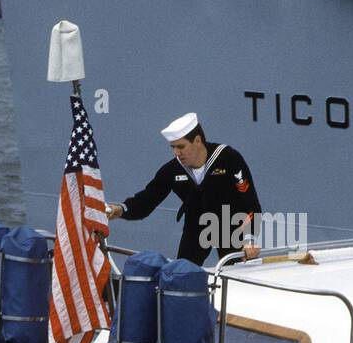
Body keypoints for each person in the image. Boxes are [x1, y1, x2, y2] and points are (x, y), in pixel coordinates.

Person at [106, 112, 262, 266]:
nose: (176, 153)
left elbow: (250, 204)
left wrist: (250, 239)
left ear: (197, 140)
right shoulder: (172, 170)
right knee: (181, 275)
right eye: (173, 147)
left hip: (232, 225)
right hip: (196, 227)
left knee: (239, 275)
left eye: (181, 146)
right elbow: (147, 199)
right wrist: (120, 210)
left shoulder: (228, 158)